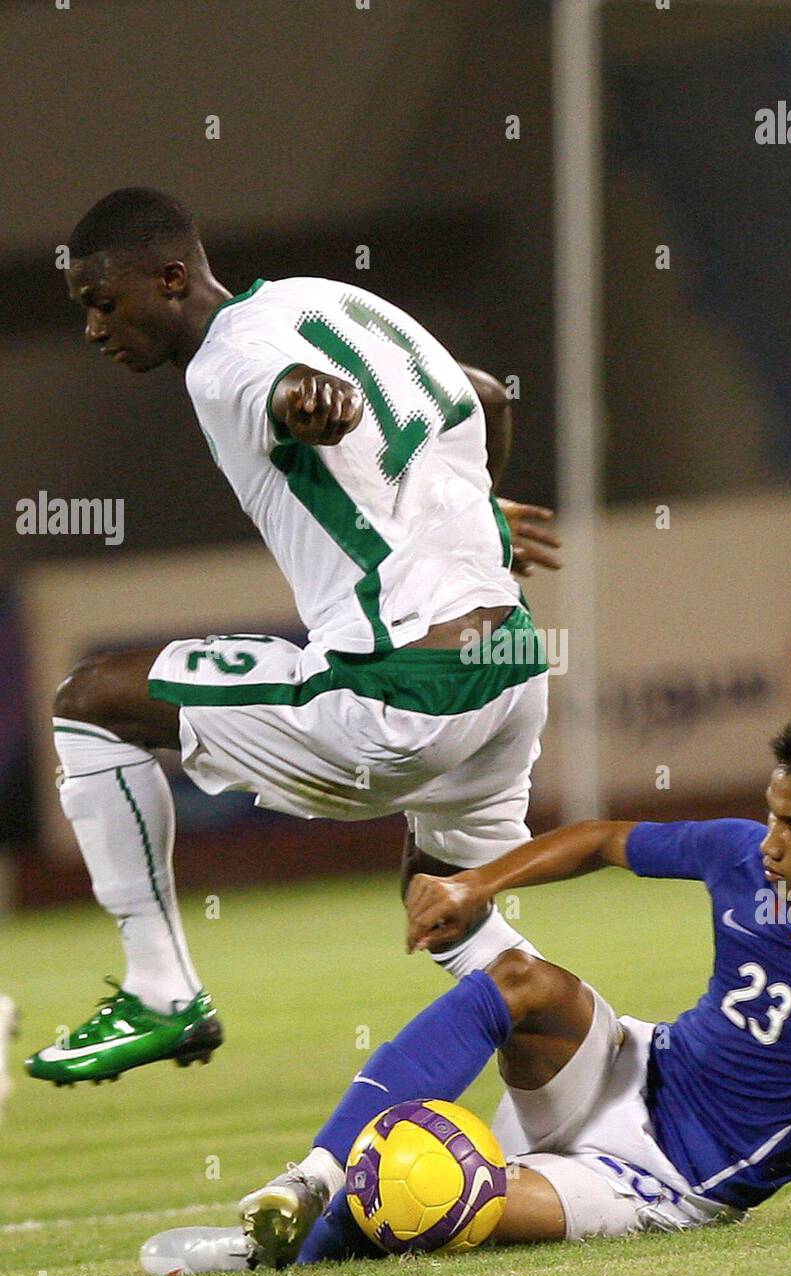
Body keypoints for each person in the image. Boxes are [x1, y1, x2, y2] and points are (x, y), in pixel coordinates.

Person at [144, 704, 791, 1272]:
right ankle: (310, 1178)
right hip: (633, 1066)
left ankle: (275, 1267)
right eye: (769, 814)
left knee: (442, 1192)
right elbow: (603, 838)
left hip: (669, 1180)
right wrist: (476, 885)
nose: (769, 842)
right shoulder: (740, 858)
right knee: (518, 978)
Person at [27, 187, 558, 1087]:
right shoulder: (317, 299)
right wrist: (467, 509)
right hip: (507, 668)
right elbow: (484, 395)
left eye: (100, 302)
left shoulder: (224, 363)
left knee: (90, 704)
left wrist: (306, 405)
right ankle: (605, 1078)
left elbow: (287, 392)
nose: (92, 329)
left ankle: (161, 994)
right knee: (447, 916)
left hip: (399, 695)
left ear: (169, 279)